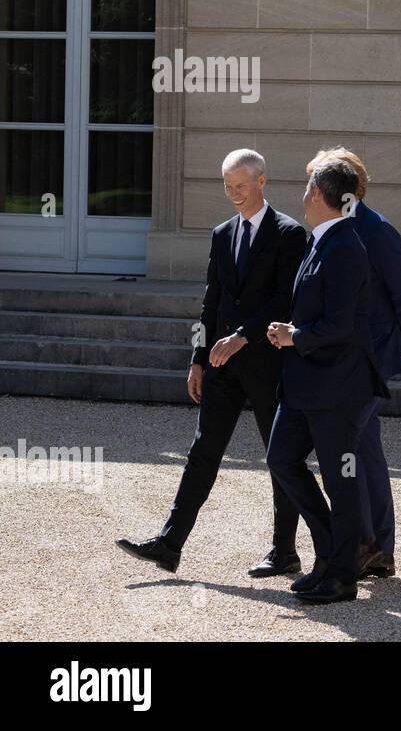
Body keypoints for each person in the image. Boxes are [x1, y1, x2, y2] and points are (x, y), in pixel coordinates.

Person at [116, 149, 305, 576]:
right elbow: (211, 303)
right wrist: (197, 360)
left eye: (241, 185)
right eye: (227, 185)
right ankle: (170, 544)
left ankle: (284, 551)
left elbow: (285, 300)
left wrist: (243, 337)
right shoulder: (221, 234)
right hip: (220, 365)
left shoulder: (290, 234)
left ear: (262, 181)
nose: (233, 193)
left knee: (280, 457)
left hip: (268, 363)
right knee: (202, 452)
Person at [265, 156, 389, 604]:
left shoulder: (346, 247)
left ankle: (342, 577)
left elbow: (340, 325)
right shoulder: (320, 241)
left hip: (338, 388)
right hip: (303, 385)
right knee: (281, 459)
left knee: (341, 479)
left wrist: (291, 336)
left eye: (305, 188)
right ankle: (331, 554)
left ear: (317, 193)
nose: (301, 196)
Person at [308, 147, 401, 580]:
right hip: (341, 360)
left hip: (367, 361)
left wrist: (400, 343)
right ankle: (378, 545)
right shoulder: (330, 227)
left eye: (316, 183)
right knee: (362, 450)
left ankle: (364, 543)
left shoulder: (375, 230)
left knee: (347, 451)